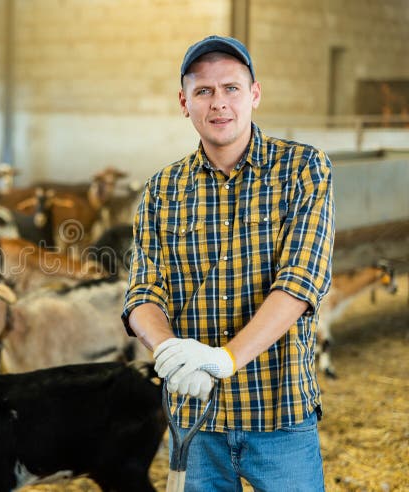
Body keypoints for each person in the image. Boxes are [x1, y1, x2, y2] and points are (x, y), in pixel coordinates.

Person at [123, 35, 334, 491]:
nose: (218, 103)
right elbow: (143, 292)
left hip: (279, 416)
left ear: (254, 94)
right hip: (195, 421)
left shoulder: (302, 169)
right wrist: (166, 351)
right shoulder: (163, 189)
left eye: (231, 88)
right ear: (184, 102)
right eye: (203, 91)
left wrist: (225, 357)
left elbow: (300, 281)